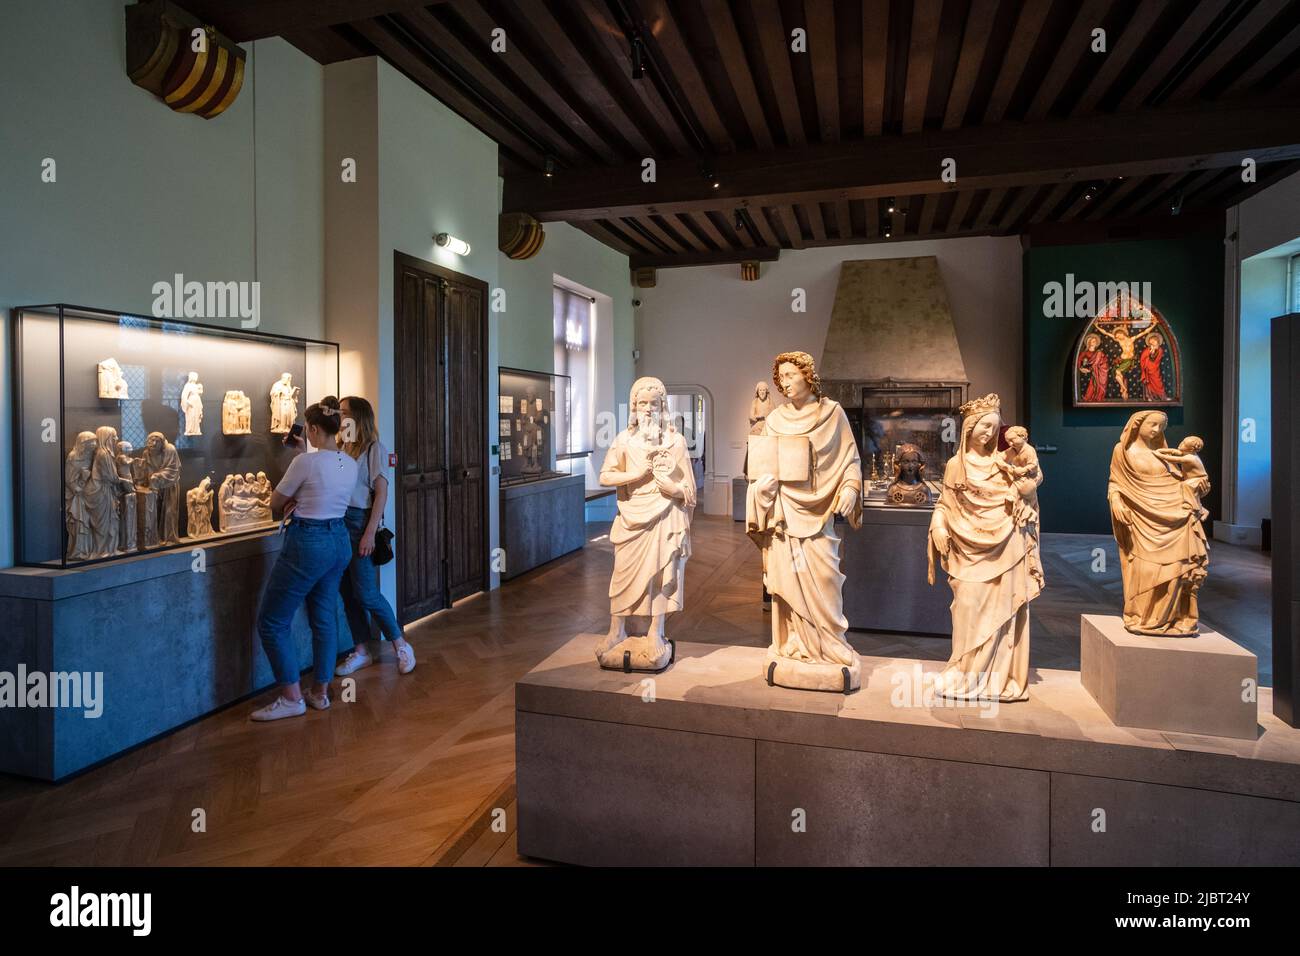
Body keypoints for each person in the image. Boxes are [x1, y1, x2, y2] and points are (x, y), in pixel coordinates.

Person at [928, 394, 1043, 702]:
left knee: (1002, 611)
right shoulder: (956, 466)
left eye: (995, 428)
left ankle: (996, 676)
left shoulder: (1006, 464)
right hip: (967, 548)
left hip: (1007, 545)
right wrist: (939, 527)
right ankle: (964, 668)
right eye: (983, 427)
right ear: (968, 428)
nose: (989, 434)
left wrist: (1029, 508)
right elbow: (944, 504)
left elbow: (1028, 494)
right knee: (966, 606)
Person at [251, 397, 358, 721]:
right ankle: (320, 693)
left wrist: (296, 469)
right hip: (338, 540)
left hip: (308, 542)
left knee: (271, 621)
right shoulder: (349, 463)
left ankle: (291, 696)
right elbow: (321, 484)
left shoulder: (305, 464)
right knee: (324, 618)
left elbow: (275, 501)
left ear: (311, 428)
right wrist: (302, 459)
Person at [334, 395, 415, 676]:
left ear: (358, 417)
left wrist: (369, 533)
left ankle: (401, 645)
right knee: (347, 592)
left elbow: (381, 492)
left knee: (367, 593)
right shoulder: (341, 448)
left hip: (359, 522)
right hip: (338, 522)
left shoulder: (373, 449)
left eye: (342, 411)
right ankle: (360, 650)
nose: (338, 415)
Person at [1108, 411, 1210, 635]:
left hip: (1175, 514)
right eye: (1152, 424)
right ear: (1137, 424)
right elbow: (1115, 482)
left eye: (1161, 427)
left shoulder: (1165, 454)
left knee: (1180, 569)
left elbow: (1183, 480)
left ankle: (1181, 618)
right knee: (1145, 569)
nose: (1156, 430)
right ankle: (1143, 615)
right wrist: (1116, 500)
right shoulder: (1122, 451)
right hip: (1142, 517)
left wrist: (1198, 486)